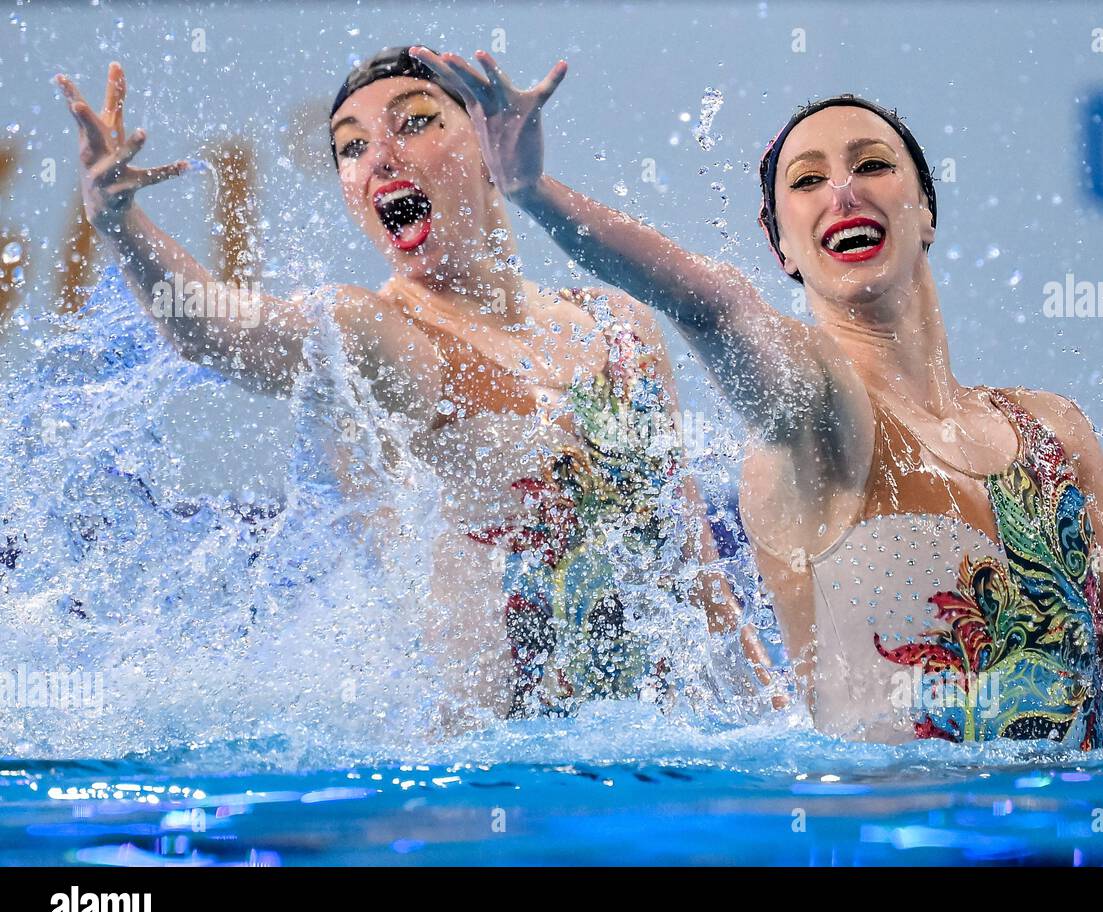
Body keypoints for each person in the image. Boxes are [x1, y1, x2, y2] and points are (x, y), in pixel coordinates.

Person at [412, 47, 1103, 753]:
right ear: (782, 245)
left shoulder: (1051, 429)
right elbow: (714, 307)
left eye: (872, 165)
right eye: (808, 181)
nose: (843, 191)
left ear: (925, 211)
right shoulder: (819, 421)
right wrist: (535, 192)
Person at [53, 50, 775, 726]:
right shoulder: (378, 337)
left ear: (493, 147)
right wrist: (119, 224)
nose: (379, 158)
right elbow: (219, 334)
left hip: (659, 764)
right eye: (351, 145)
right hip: (490, 778)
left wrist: (777, 735)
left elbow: (700, 579)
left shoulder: (620, 329)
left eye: (415, 123)